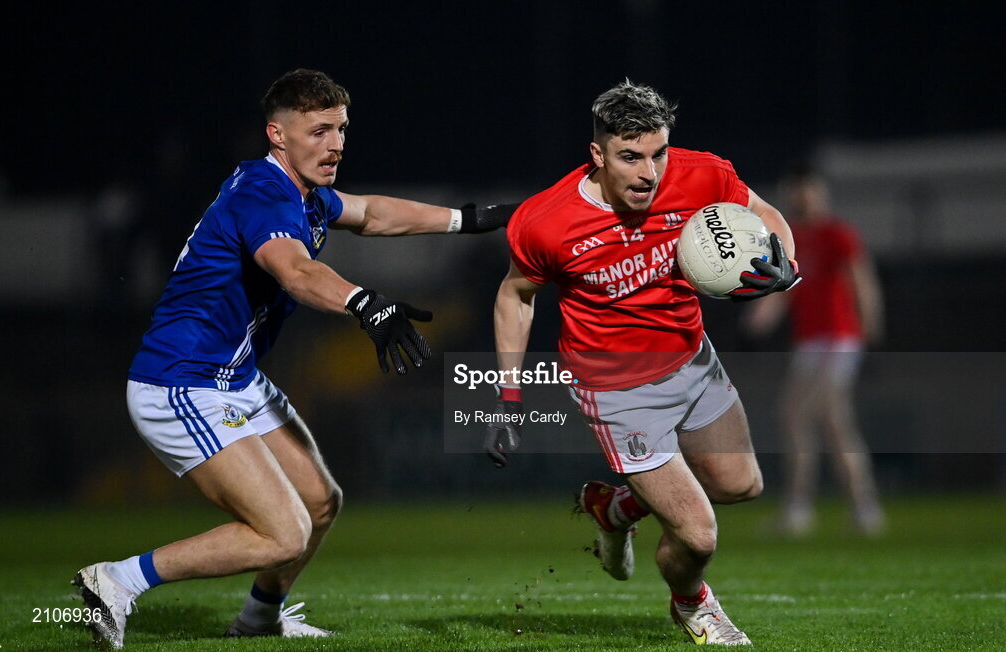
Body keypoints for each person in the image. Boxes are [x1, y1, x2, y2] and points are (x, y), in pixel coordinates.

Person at [72, 68, 513, 649]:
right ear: (277, 135)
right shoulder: (263, 194)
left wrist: (471, 219)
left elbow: (374, 214)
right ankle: (116, 581)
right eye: (319, 130)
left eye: (342, 129)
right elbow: (296, 271)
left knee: (320, 501)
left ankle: (258, 620)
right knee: (283, 534)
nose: (335, 145)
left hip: (235, 380)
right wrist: (365, 304)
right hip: (183, 382)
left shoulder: (303, 195)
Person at [485, 80, 800, 646]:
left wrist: (786, 262)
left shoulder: (702, 174)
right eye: (630, 157)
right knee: (699, 535)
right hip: (618, 391)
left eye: (658, 153)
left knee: (741, 486)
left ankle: (615, 508)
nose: (648, 173)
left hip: (692, 360)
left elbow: (763, 212)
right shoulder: (546, 221)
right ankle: (692, 605)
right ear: (598, 155)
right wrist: (509, 396)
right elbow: (515, 297)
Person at [743, 166, 885, 536]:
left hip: (839, 340)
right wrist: (756, 323)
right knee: (834, 425)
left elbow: (863, 284)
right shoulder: (793, 238)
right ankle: (862, 508)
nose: (804, 196)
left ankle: (800, 508)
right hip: (809, 344)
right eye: (797, 190)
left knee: (795, 414)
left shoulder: (838, 234)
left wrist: (871, 336)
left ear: (820, 192)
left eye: (809, 189)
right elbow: (782, 293)